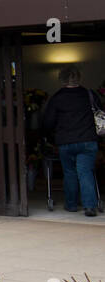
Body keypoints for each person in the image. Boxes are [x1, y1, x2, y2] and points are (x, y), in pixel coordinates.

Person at [41, 66, 101, 217]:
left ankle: (72, 205)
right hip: (88, 140)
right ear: (79, 78)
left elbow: (48, 122)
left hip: (65, 142)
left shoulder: (56, 98)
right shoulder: (89, 94)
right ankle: (89, 206)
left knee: (69, 173)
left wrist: (50, 136)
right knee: (85, 172)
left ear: (61, 79)